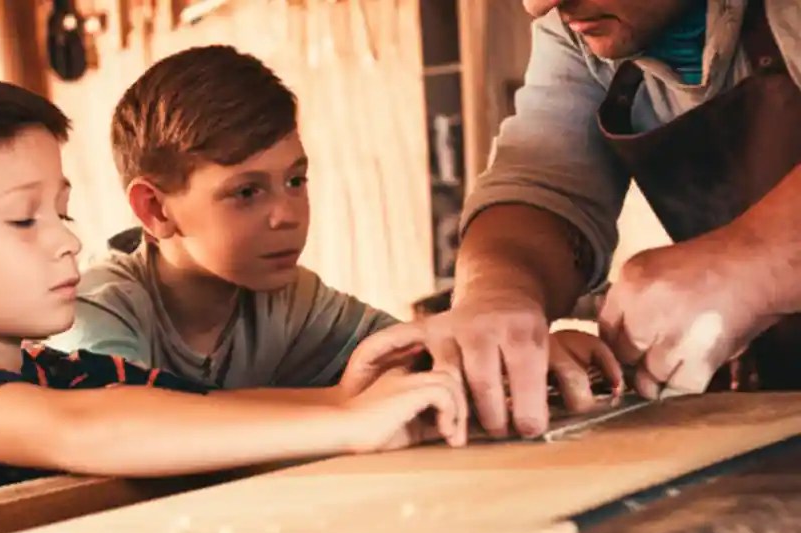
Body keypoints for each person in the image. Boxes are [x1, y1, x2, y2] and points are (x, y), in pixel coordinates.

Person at [0, 74, 469, 519]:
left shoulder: (63, 376)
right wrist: (345, 425)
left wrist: (354, 396)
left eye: (62, 213)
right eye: (23, 220)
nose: (69, 242)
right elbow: (81, 430)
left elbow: (209, 411)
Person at [49, 45, 620, 405]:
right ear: (155, 210)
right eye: (246, 192)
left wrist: (514, 353)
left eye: (296, 180)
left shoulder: (291, 301)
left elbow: (414, 361)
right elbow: (144, 425)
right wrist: (343, 404)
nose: (287, 214)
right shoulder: (97, 310)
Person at [409, 0, 801, 439]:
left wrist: (757, 259)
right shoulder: (578, 30)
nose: (538, 5)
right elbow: (545, 186)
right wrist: (498, 291)